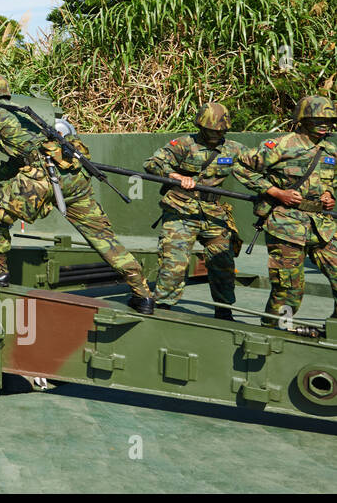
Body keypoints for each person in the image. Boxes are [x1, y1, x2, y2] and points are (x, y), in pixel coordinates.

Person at [0, 73, 154, 314]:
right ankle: (143, 294)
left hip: (43, 179)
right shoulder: (22, 111)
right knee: (101, 237)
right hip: (72, 178)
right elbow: (26, 154)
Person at [232, 95, 337, 330]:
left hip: (322, 226)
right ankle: (276, 330)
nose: (324, 125)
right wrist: (276, 192)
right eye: (317, 119)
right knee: (289, 288)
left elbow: (332, 180)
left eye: (329, 120)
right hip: (286, 225)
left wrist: (330, 195)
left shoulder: (330, 149)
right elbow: (241, 166)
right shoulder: (281, 145)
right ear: (303, 119)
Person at [143, 102, 245, 319]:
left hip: (213, 212)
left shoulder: (234, 149)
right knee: (175, 263)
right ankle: (163, 307)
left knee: (223, 262)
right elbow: (152, 163)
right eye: (212, 130)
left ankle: (225, 311)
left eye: (221, 131)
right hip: (181, 208)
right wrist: (176, 176)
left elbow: (257, 165)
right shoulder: (183, 144)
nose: (217, 134)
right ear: (201, 126)